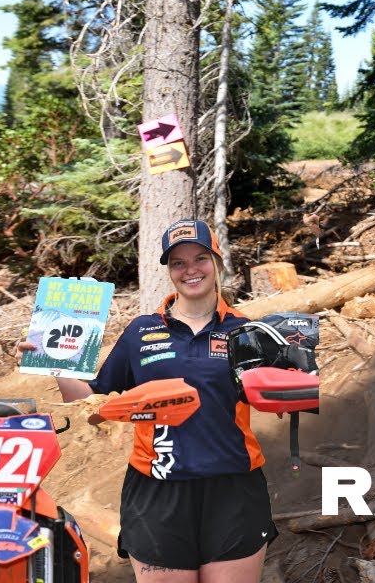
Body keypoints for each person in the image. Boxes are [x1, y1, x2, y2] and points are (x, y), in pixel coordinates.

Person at [30, 219, 275, 582]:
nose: (190, 270)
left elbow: (279, 397)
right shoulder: (142, 331)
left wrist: (296, 370)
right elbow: (90, 402)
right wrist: (53, 361)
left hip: (233, 487)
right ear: (169, 271)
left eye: (200, 258)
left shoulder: (246, 330)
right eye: (178, 262)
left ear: (217, 262)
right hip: (157, 490)